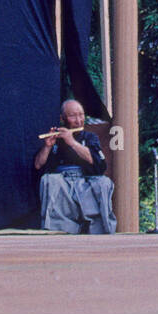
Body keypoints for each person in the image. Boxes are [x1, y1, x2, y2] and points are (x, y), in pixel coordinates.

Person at [33, 100, 116, 234]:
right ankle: (55, 231)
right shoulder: (56, 138)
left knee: (104, 182)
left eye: (81, 115)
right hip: (63, 183)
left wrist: (72, 142)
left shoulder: (90, 137)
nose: (78, 120)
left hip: (85, 181)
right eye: (73, 116)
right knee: (49, 180)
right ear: (62, 118)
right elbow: (38, 165)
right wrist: (47, 146)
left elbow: (97, 162)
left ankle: (101, 231)